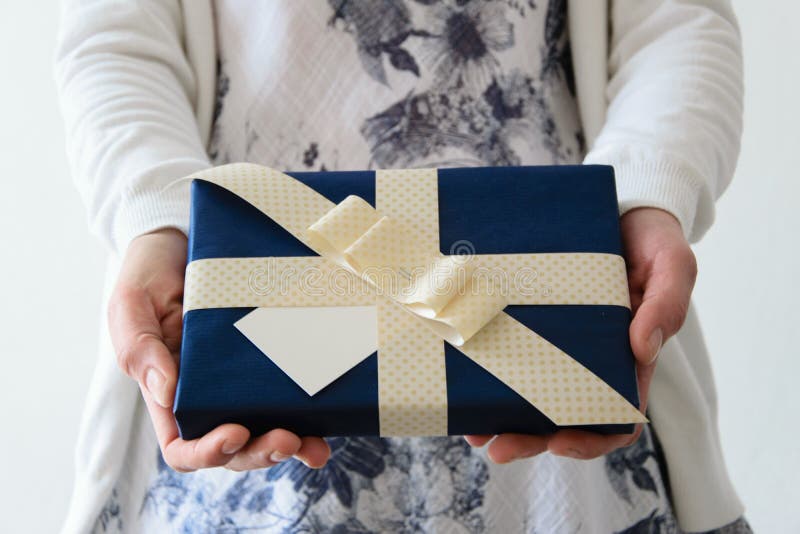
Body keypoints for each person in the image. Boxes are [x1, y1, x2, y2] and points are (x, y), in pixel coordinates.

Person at [55, 1, 749, 532]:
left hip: (550, 328)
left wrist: (653, 195)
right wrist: (155, 220)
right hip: (244, 310)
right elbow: (116, 41)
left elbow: (674, 21)